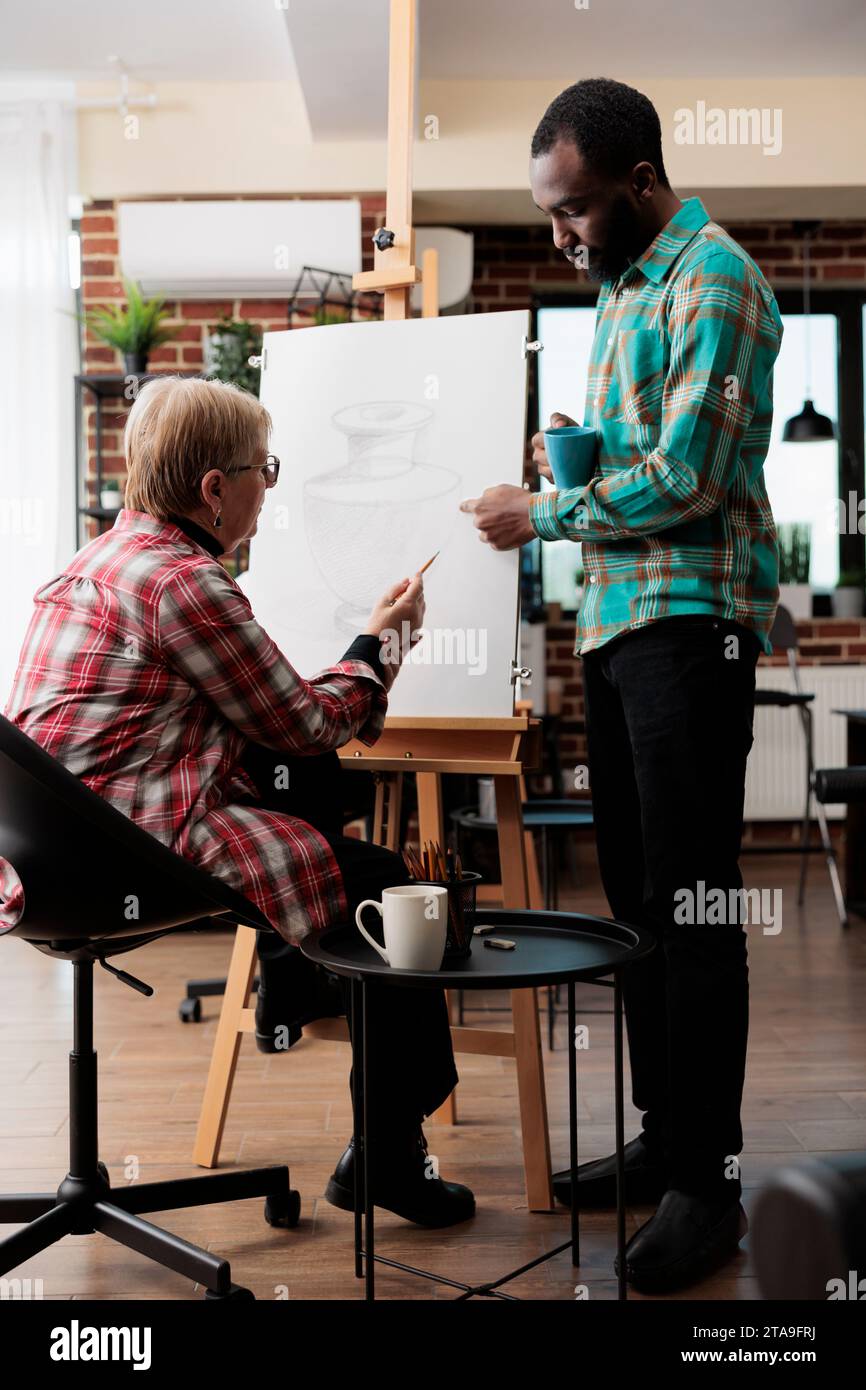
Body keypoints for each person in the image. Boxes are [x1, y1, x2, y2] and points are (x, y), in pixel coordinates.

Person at [4, 374, 473, 1230]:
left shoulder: (98, 559)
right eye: (266, 468)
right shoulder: (186, 582)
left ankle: (300, 992)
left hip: (38, 861)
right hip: (125, 851)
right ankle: (389, 1157)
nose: (271, 485)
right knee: (392, 889)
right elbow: (306, 722)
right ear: (215, 490)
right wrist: (382, 640)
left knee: (313, 816)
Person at [460, 78, 783, 1292]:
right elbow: (640, 461)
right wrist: (567, 473)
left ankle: (710, 1184)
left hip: (688, 627)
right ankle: (668, 1135)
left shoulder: (713, 278)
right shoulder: (629, 284)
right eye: (550, 214)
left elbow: (690, 478)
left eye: (577, 210)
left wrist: (542, 509)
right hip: (616, 626)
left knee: (692, 901)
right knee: (640, 900)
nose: (562, 235)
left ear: (642, 182)